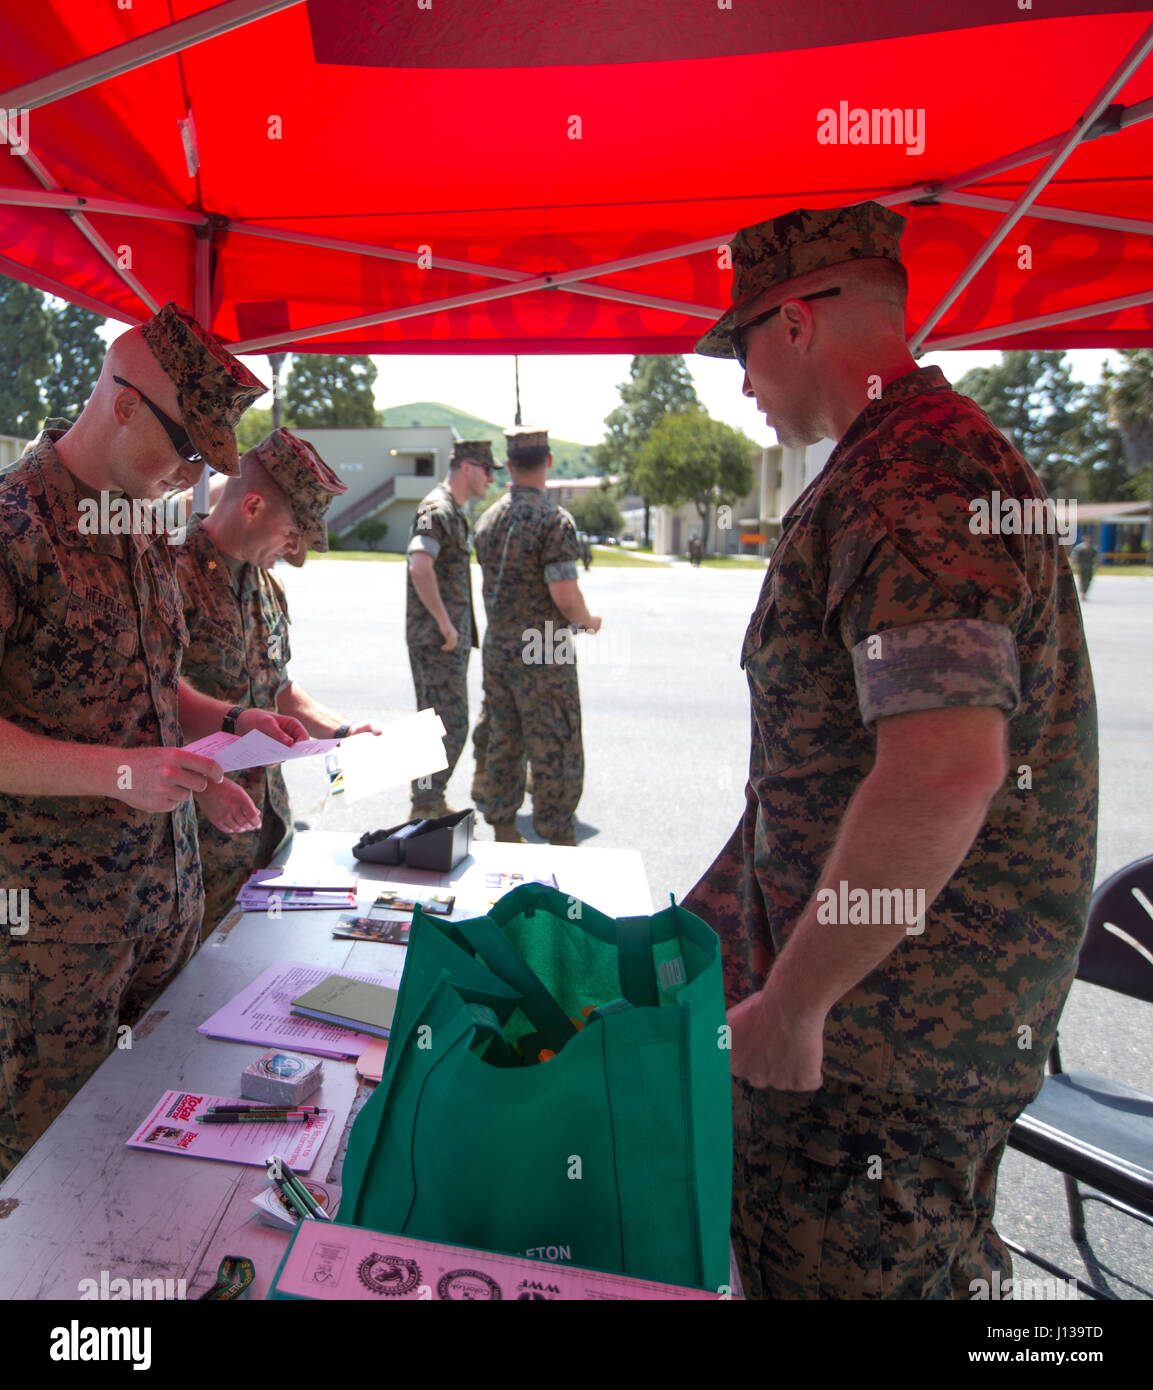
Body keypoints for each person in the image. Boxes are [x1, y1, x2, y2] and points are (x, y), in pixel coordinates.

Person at [685, 203, 1098, 1300]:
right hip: (882, 1017)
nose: (742, 383)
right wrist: (713, 925)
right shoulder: (895, 460)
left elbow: (943, 768)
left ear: (794, 322)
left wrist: (796, 1004)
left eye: (740, 348)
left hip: (888, 1038)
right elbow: (815, 770)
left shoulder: (916, 476)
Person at [0, 303, 310, 1179]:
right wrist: (118, 773)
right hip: (52, 947)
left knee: (142, 1174)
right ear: (123, 403)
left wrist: (229, 723)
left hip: (160, 910)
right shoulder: (15, 527)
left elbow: (145, 682)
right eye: (186, 449)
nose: (190, 475)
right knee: (49, 1182)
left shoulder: (136, 523)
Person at [175, 428, 378, 938]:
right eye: (291, 533)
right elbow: (146, 702)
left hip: (266, 829)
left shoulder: (268, 585)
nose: (295, 550)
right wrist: (204, 786)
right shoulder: (170, 574)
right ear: (252, 506)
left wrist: (342, 731)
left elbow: (279, 687)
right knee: (189, 978)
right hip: (192, 839)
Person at [473, 428, 601, 846]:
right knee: (555, 742)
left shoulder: (488, 519)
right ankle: (557, 834)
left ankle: (504, 828)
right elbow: (564, 595)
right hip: (544, 645)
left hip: (499, 645)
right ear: (548, 462)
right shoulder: (554, 520)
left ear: (509, 466)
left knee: (504, 736)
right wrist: (587, 620)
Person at [405, 440, 496, 820]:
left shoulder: (452, 511)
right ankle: (425, 804)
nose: (491, 479)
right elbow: (419, 565)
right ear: (467, 468)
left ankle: (428, 801)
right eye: (488, 470)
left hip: (444, 640)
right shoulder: (437, 509)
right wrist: (444, 622)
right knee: (448, 724)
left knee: (437, 725)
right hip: (436, 640)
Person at [1071, 535, 1098, 599]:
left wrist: (1097, 565)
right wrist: (1074, 564)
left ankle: (1084, 592)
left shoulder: (1092, 548)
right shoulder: (1079, 548)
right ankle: (1083, 593)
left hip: (1089, 566)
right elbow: (1074, 556)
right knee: (1082, 580)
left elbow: (1096, 557)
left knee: (1088, 580)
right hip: (1081, 566)